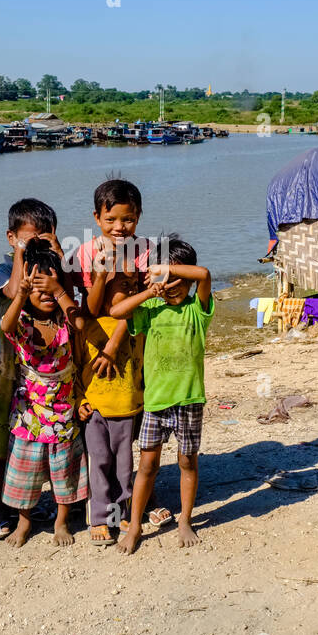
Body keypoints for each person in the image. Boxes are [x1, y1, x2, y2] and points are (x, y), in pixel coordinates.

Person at [77, 177, 172, 529]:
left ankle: (142, 498)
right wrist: (102, 276)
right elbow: (89, 308)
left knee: (137, 426)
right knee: (103, 431)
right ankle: (102, 507)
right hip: (95, 341)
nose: (120, 227)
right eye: (111, 219)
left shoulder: (148, 250)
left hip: (135, 340)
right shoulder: (86, 253)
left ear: (139, 216)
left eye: (128, 219)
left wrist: (116, 342)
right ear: (97, 217)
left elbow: (137, 305)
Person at [109, 235, 212, 554]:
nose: (173, 286)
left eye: (180, 279)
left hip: (190, 400)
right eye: (168, 280)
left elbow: (205, 274)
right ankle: (136, 526)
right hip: (156, 402)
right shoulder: (150, 309)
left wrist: (167, 268)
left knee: (186, 462)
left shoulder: (198, 309)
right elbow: (116, 311)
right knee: (148, 465)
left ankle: (185, 521)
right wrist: (150, 289)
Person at [0, 238, 87, 547]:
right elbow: (5, 325)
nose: (47, 295)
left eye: (52, 288)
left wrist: (59, 289)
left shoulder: (65, 319)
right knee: (26, 474)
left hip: (64, 411)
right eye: (39, 290)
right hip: (30, 414)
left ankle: (61, 522)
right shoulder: (23, 323)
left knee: (65, 473)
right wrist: (21, 292)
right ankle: (24, 523)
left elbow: (81, 323)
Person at [0, 198, 59, 540]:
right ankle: (4, 508)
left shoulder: (52, 268)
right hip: (7, 370)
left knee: (41, 439)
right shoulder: (1, 271)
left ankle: (33, 502)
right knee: (5, 441)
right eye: (29, 238)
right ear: (11, 236)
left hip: (45, 373)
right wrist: (22, 254)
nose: (36, 247)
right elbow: (15, 290)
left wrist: (55, 254)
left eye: (43, 238)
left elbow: (70, 304)